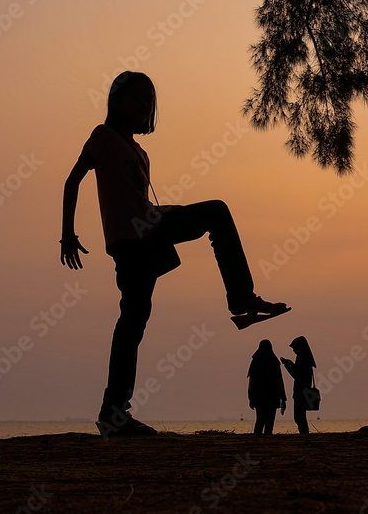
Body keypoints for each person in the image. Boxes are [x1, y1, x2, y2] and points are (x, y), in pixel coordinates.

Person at [60, 71, 290, 438]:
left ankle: (113, 412)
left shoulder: (140, 151)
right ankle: (242, 299)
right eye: (137, 98)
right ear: (117, 101)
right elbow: (73, 180)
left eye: (148, 101)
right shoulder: (102, 137)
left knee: (133, 322)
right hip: (131, 238)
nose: (144, 106)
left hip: (149, 233)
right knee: (215, 213)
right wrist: (67, 235)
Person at [248, 340, 287, 435]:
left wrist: (251, 397)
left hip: (259, 396)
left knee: (260, 420)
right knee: (270, 421)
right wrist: (283, 397)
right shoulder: (274, 362)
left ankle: (257, 439)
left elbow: (251, 382)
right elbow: (279, 381)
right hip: (273, 396)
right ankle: (268, 439)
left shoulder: (255, 362)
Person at [281, 336, 317, 434]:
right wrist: (291, 363)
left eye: (295, 348)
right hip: (304, 391)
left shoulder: (302, 358)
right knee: (300, 416)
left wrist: (287, 366)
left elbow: (297, 374)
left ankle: (304, 434)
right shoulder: (306, 358)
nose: (294, 351)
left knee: (299, 416)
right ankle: (304, 433)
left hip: (300, 392)